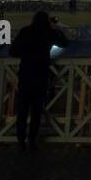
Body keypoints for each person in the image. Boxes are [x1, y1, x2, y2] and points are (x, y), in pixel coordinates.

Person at [10, 11, 67, 151]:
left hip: (25, 74)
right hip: (41, 75)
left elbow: (13, 51)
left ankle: (20, 139)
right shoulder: (48, 32)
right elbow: (65, 43)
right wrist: (56, 27)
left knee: (22, 110)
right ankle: (32, 140)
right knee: (36, 111)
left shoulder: (25, 31)